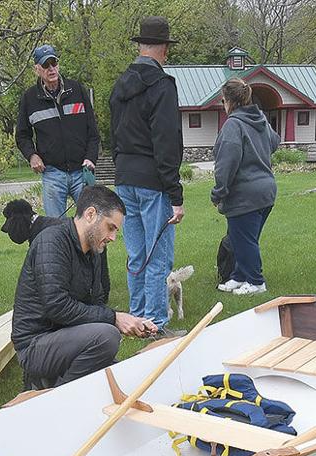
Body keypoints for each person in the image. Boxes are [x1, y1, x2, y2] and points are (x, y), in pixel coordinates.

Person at [11, 185, 155, 391]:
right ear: (90, 214)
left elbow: (96, 304)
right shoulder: (52, 241)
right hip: (35, 345)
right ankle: (55, 396)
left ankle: (57, 381)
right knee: (106, 337)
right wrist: (114, 318)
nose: (113, 237)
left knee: (121, 372)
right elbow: (56, 306)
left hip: (64, 336)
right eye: (111, 227)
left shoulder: (93, 250)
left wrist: (129, 322)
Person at [109, 16, 185, 338]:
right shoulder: (161, 86)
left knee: (137, 254)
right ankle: (154, 324)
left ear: (140, 45)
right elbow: (167, 142)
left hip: (124, 177)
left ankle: (137, 316)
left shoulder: (119, 86)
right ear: (164, 49)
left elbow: (113, 135)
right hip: (153, 181)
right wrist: (175, 195)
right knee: (157, 256)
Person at [211, 79, 280, 297]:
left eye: (223, 100)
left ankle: (256, 282)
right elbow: (275, 141)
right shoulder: (259, 118)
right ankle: (239, 276)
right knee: (242, 239)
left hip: (245, 194)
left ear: (228, 101)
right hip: (266, 190)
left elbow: (226, 163)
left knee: (245, 241)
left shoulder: (233, 125)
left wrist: (218, 192)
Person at [15, 44, 100, 218]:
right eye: (46, 65)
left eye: (54, 63)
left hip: (82, 171)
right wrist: (32, 155)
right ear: (37, 69)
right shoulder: (29, 98)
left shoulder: (77, 90)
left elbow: (93, 131)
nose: (51, 69)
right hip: (52, 174)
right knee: (55, 229)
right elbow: (22, 135)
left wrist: (91, 158)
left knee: (91, 226)